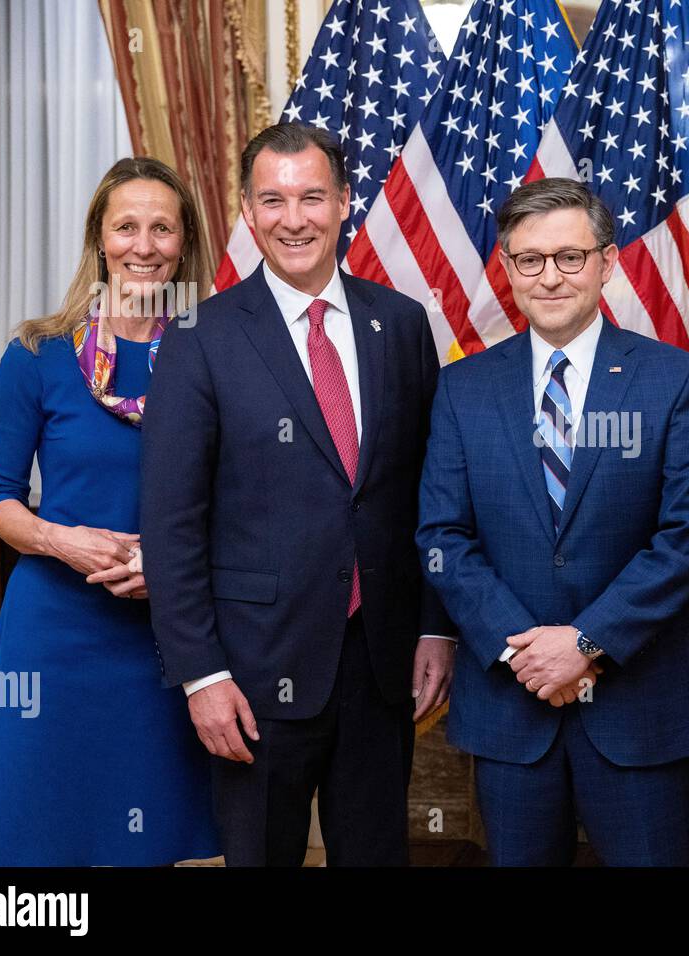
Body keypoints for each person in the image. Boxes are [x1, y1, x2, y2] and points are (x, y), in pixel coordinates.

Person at [140, 123, 454, 866]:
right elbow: (171, 522)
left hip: (381, 666)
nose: (294, 218)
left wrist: (437, 627)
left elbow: (435, 492)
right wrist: (202, 674)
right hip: (251, 672)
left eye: (312, 197)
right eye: (273, 200)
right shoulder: (200, 336)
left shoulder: (401, 324)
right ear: (248, 213)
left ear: (345, 201)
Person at [416, 178, 689, 867]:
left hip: (640, 711)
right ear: (506, 267)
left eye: (569, 257)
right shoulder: (463, 387)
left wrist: (586, 641)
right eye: (530, 260)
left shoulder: (672, 381)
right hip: (511, 708)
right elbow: (443, 537)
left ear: (607, 262)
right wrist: (527, 650)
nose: (549, 277)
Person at [0, 157, 218, 865]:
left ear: (183, 242)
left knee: (147, 839)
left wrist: (167, 566)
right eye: (126, 226)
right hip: (52, 635)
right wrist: (61, 541)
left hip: (166, 637)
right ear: (99, 240)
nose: (144, 244)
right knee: (38, 839)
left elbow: (240, 500)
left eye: (162, 227)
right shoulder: (37, 354)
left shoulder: (215, 353)